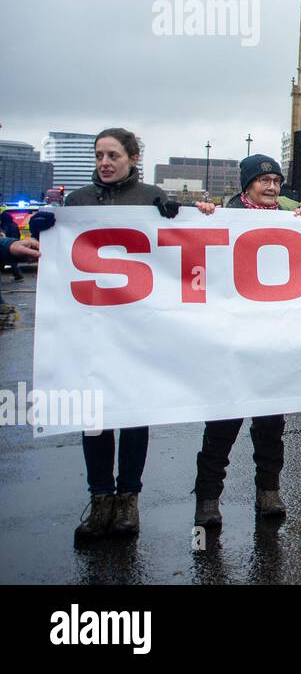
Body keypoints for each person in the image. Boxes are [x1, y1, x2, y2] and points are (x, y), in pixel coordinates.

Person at [62, 128, 177, 540]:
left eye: (113, 155)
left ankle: (129, 499)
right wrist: (45, 227)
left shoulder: (151, 198)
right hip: (92, 329)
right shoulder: (75, 203)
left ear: (132, 158)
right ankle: (100, 499)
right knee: (94, 418)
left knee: (132, 415)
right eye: (99, 156)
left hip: (136, 331)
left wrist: (184, 214)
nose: (105, 163)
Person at [190, 156, 295, 528]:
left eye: (276, 181)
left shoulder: (291, 218)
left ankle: (269, 491)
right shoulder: (222, 218)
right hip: (231, 344)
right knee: (221, 427)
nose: (271, 187)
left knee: (270, 425)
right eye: (263, 180)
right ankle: (207, 498)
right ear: (246, 186)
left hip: (272, 342)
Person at [0, 209, 22, 281]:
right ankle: (18, 275)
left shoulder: (5, 225)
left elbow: (4, 235)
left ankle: (18, 275)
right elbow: (18, 234)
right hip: (14, 242)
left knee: (11, 261)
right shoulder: (14, 224)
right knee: (11, 260)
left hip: (8, 244)